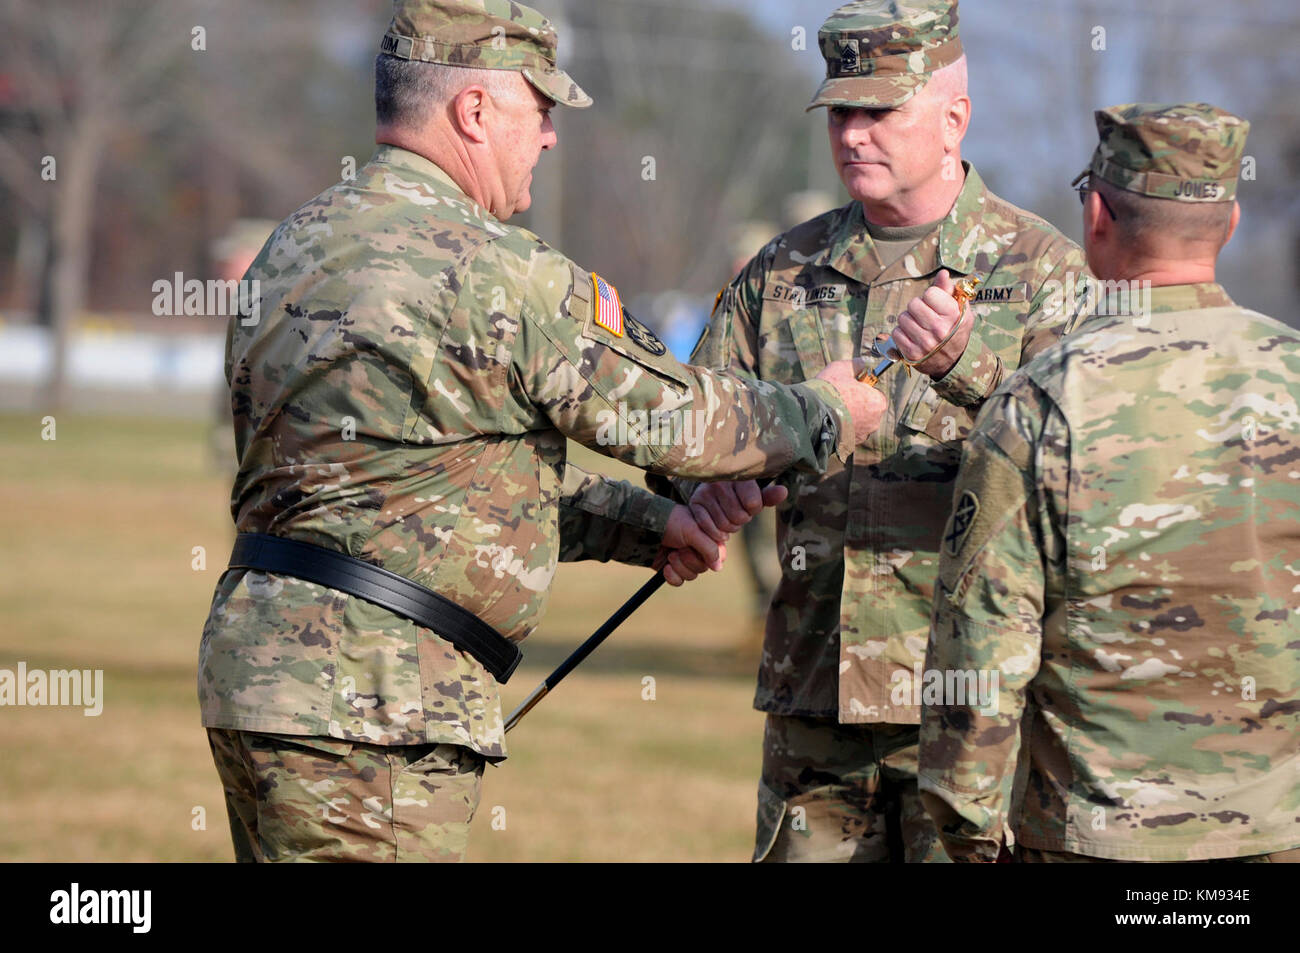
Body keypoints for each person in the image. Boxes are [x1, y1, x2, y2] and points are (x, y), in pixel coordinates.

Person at [198, 0, 887, 863]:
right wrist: (827, 411)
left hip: (256, 680)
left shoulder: (291, 250)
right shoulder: (502, 273)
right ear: (475, 111)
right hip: (373, 706)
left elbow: (415, 491)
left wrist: (649, 528)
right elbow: (685, 422)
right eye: (543, 108)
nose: (552, 137)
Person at [676, 0, 1090, 862]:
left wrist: (967, 368)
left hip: (972, 708)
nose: (854, 134)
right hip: (815, 709)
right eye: (841, 112)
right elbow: (692, 430)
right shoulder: (782, 271)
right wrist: (715, 482)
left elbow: (1084, 476)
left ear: (953, 119)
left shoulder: (1042, 271)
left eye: (880, 110)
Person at [918, 102, 1300, 863]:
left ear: (1095, 212)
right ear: (1229, 224)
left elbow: (978, 652)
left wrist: (967, 833)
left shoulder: (1039, 402)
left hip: (1093, 840)